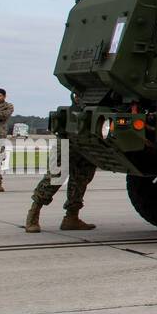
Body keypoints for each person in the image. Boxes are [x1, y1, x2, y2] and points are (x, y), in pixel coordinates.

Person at [25, 93, 97, 231]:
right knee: (55, 177)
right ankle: (33, 216)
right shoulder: (83, 89)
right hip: (69, 138)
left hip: (89, 140)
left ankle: (71, 218)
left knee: (81, 179)